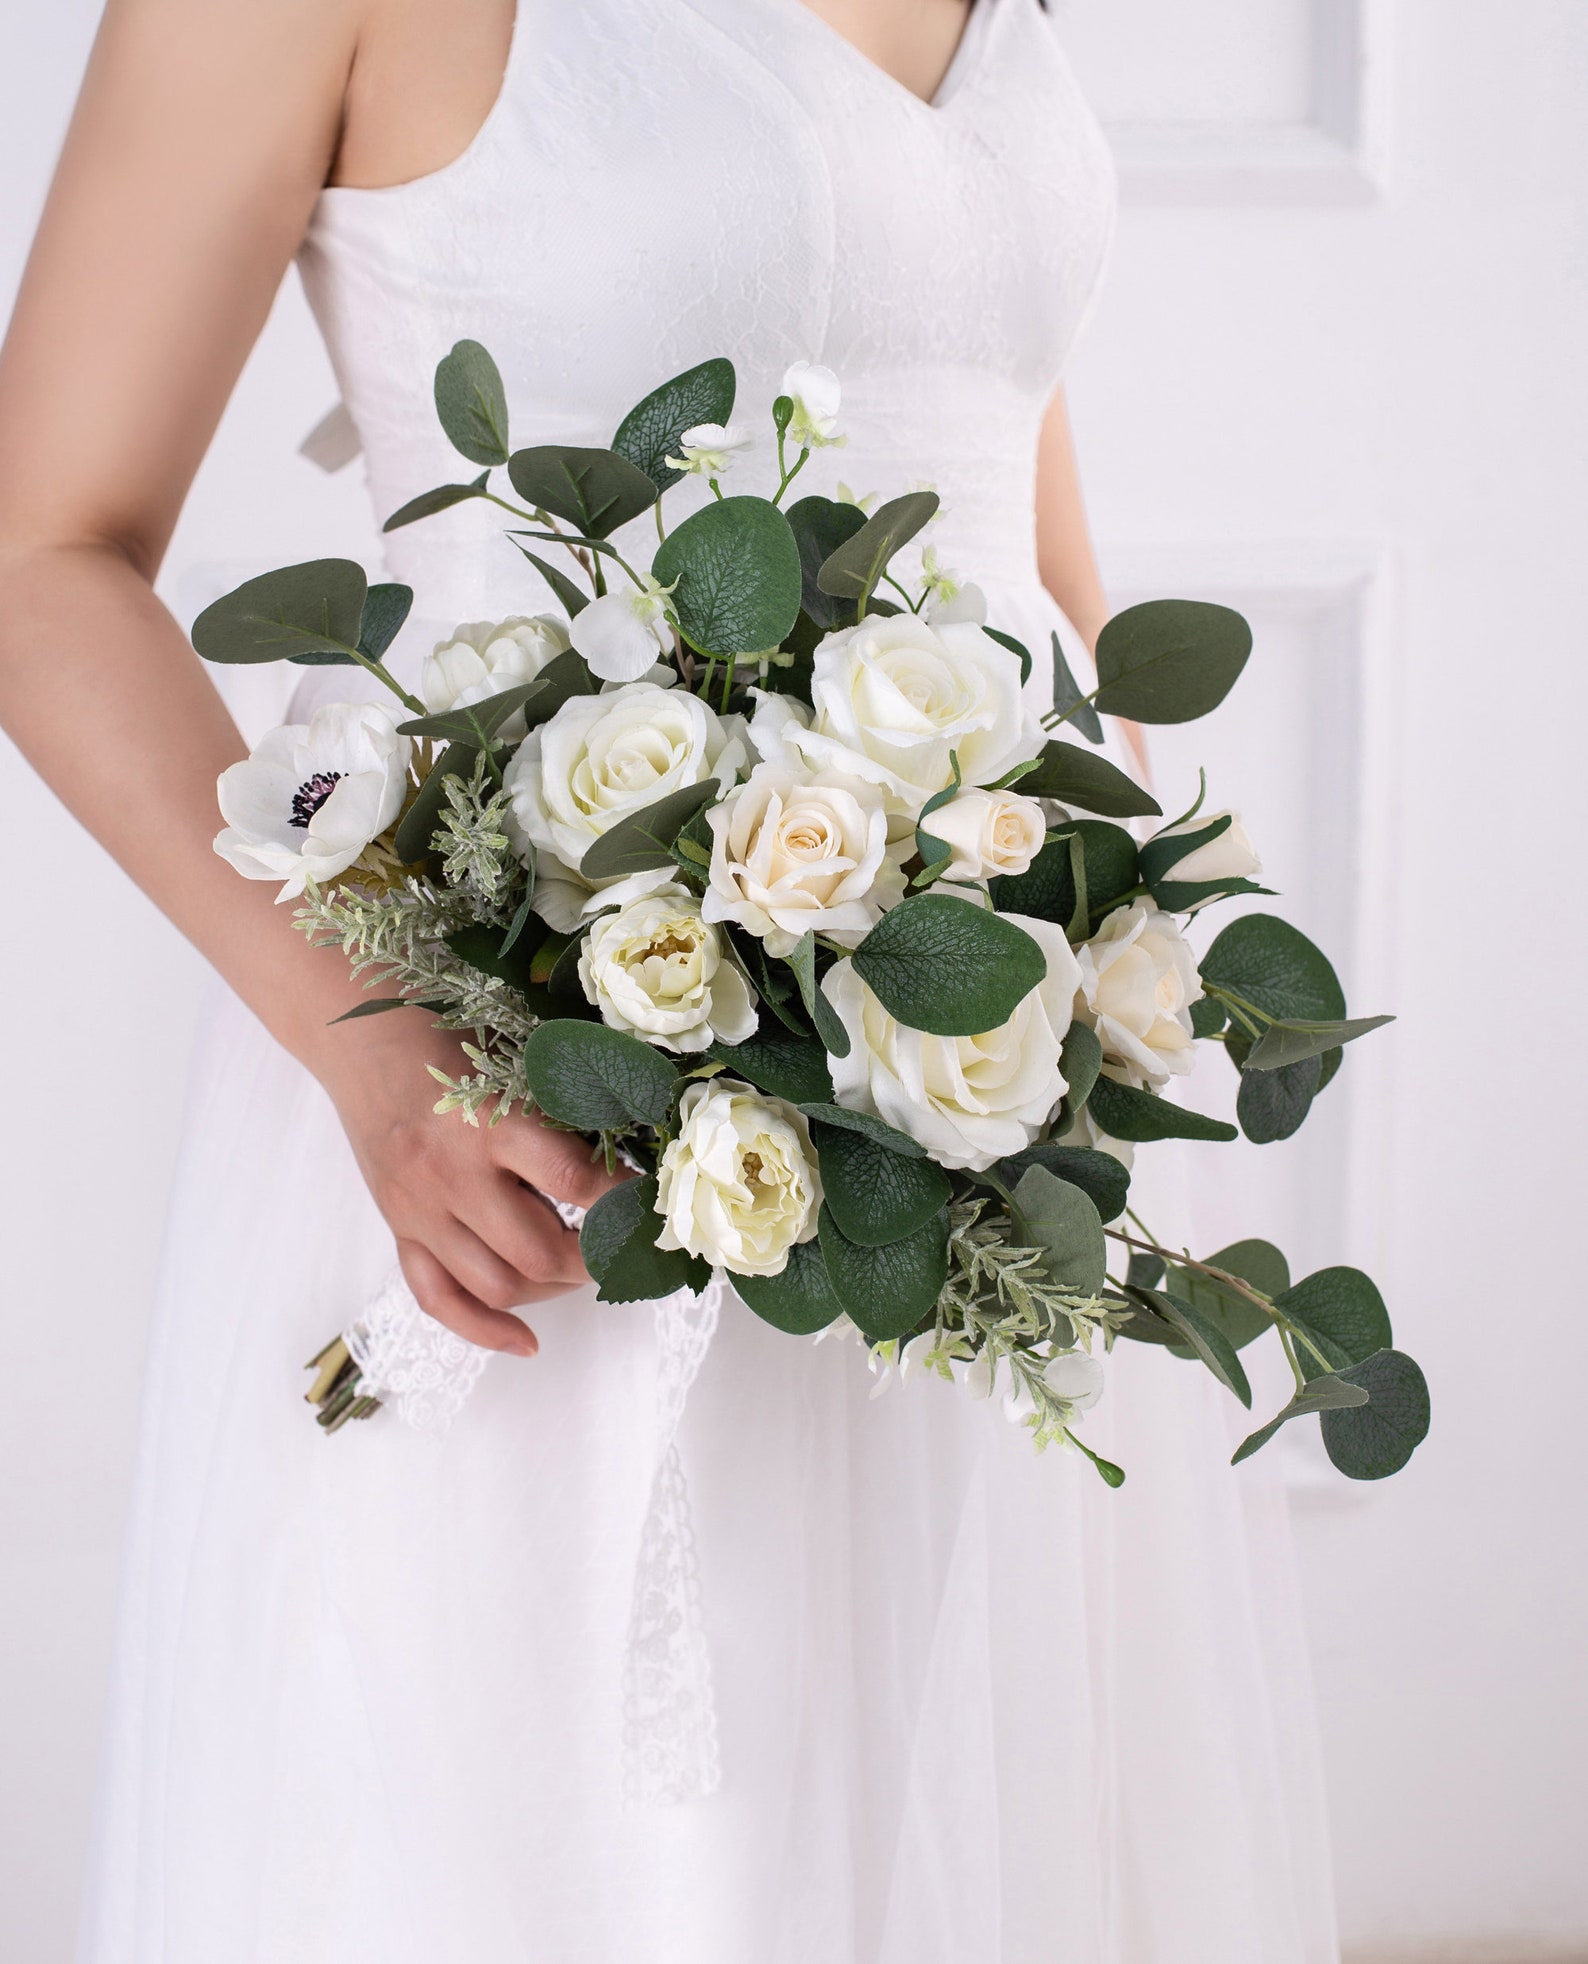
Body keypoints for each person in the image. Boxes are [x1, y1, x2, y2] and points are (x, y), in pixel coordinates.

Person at [0, 1, 1339, 1957]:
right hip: (529, 1081)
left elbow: (997, 466)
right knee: (574, 1830)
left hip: (985, 1083)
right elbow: (42, 552)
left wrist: (1109, 926)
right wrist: (380, 1054)